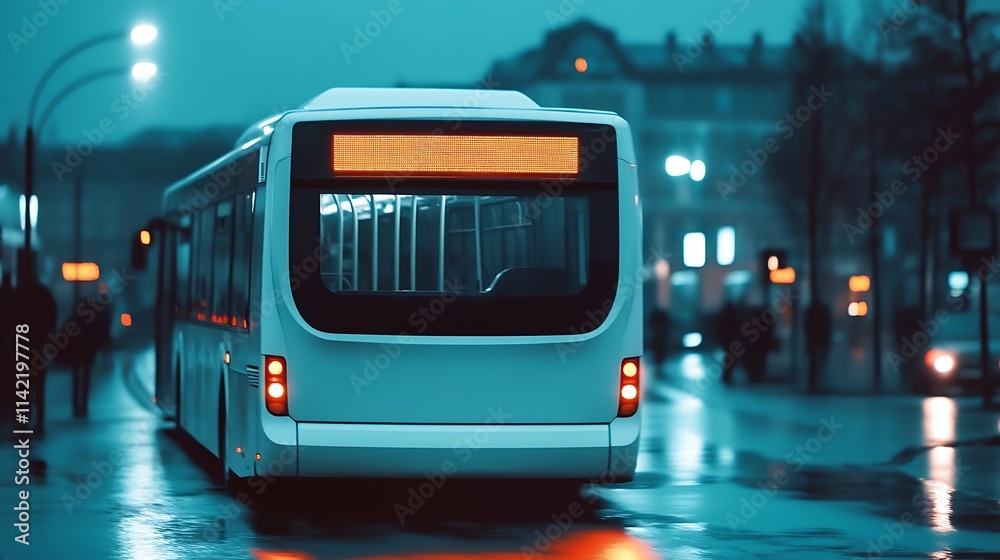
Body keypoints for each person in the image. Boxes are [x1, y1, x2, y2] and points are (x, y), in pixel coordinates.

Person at [11, 249, 58, 434]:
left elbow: (11, 315)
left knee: (23, 383)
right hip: (39, 342)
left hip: (23, 342)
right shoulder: (44, 293)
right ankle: (39, 421)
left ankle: (24, 420)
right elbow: (52, 316)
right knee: (39, 384)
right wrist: (48, 334)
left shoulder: (20, 292)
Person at [714, 301, 742, 384]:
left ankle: (726, 376)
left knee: (728, 358)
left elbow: (718, 329)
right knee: (730, 358)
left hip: (726, 340)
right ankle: (727, 376)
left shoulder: (722, 316)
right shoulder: (733, 316)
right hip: (731, 340)